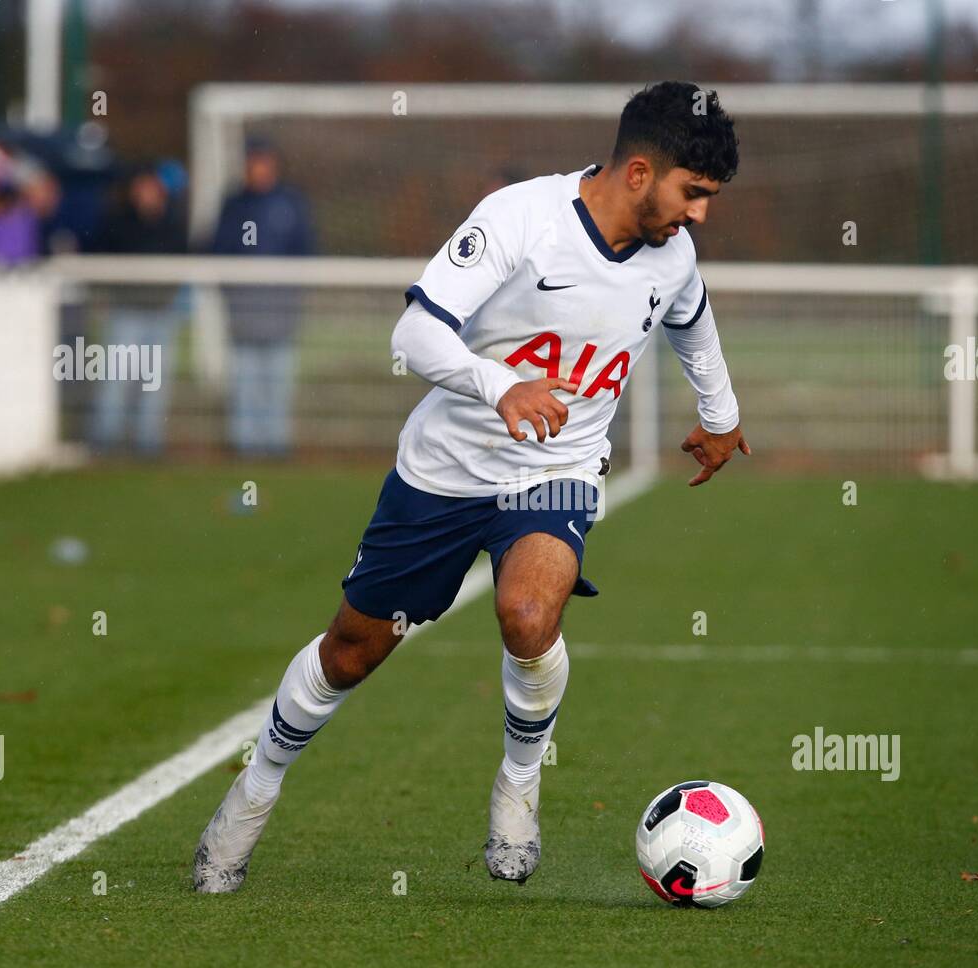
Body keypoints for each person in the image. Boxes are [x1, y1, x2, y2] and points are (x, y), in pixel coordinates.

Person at [194, 82, 750, 893]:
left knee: (528, 614)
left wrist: (722, 412)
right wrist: (500, 386)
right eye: (692, 193)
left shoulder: (674, 254)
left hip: (556, 470)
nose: (699, 214)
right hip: (444, 472)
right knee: (353, 650)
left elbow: (691, 318)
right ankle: (256, 787)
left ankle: (519, 785)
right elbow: (415, 331)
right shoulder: (521, 219)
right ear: (639, 172)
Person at [210, 135, 315, 457]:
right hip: (243, 315)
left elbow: (308, 251)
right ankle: (246, 446)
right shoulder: (234, 204)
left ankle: (274, 446)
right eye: (253, 162)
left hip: (281, 314)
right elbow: (216, 251)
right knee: (245, 384)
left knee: (277, 383)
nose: (258, 169)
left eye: (264, 162)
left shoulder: (291, 203)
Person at [90, 162, 188, 455]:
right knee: (116, 379)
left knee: (154, 384)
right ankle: (104, 441)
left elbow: (183, 262)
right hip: (127, 312)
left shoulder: (173, 224)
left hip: (161, 313)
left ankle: (148, 443)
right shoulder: (117, 222)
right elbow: (101, 259)